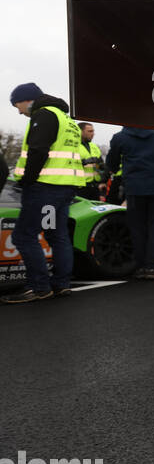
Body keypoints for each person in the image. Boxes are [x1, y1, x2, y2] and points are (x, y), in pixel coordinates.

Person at [3, 84, 85, 303]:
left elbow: (38, 150)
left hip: (44, 187)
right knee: (56, 234)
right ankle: (61, 284)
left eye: (17, 105)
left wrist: (27, 180)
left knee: (24, 235)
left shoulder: (44, 115)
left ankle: (39, 287)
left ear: (28, 100)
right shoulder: (67, 120)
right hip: (64, 187)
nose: (19, 111)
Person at [105, 126, 154, 280]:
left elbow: (111, 163)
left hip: (134, 188)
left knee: (137, 227)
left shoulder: (120, 137)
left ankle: (140, 266)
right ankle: (152, 267)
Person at [76, 122, 108, 200]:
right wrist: (84, 161)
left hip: (95, 187)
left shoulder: (94, 147)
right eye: (90, 131)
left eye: (93, 131)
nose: (93, 134)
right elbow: (68, 164)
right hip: (79, 187)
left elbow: (101, 167)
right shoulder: (74, 145)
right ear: (80, 132)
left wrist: (103, 181)